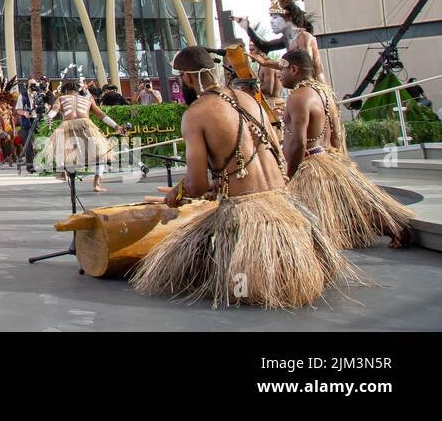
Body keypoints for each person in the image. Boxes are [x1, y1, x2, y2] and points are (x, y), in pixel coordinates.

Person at [132, 46, 353, 309]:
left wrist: (178, 193)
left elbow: (197, 184)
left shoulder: (196, 115)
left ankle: (249, 281)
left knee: (231, 286)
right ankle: (291, 271)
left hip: (244, 216)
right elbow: (278, 154)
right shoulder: (250, 100)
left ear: (187, 77)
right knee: (268, 276)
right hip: (286, 210)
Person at [280, 49, 412, 249]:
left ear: (294, 69)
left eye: (281, 70)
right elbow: (336, 135)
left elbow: (298, 142)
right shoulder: (323, 92)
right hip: (326, 159)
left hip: (310, 164)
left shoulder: (298, 97)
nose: (279, 75)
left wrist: (288, 176)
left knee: (319, 216)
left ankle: (390, 227)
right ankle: (393, 227)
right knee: (347, 207)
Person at [41, 74, 127, 192]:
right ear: (78, 90)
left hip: (67, 125)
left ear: (66, 91)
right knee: (101, 155)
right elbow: (101, 115)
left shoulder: (61, 98)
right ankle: (96, 184)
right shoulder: (88, 98)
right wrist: (117, 126)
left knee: (66, 152)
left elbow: (54, 110)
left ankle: (63, 171)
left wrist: (49, 117)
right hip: (86, 124)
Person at [243, 0, 325, 84]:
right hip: (300, 86)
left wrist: (268, 63)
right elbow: (264, 45)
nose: (271, 21)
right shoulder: (286, 39)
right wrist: (247, 28)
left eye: (275, 17)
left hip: (314, 86)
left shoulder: (304, 37)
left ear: (288, 16)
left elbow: (303, 67)